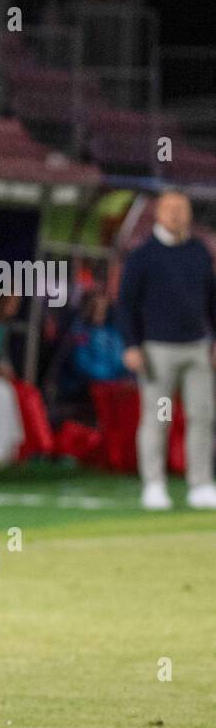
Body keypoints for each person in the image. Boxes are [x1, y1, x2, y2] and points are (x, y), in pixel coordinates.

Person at [119, 191, 216, 510]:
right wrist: (132, 344)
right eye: (171, 209)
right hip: (157, 350)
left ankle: (200, 483)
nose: (177, 215)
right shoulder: (143, 255)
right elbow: (126, 304)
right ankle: (154, 484)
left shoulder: (198, 251)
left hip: (197, 348)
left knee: (202, 416)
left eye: (182, 210)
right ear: (158, 213)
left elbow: (211, 300)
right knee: (157, 418)